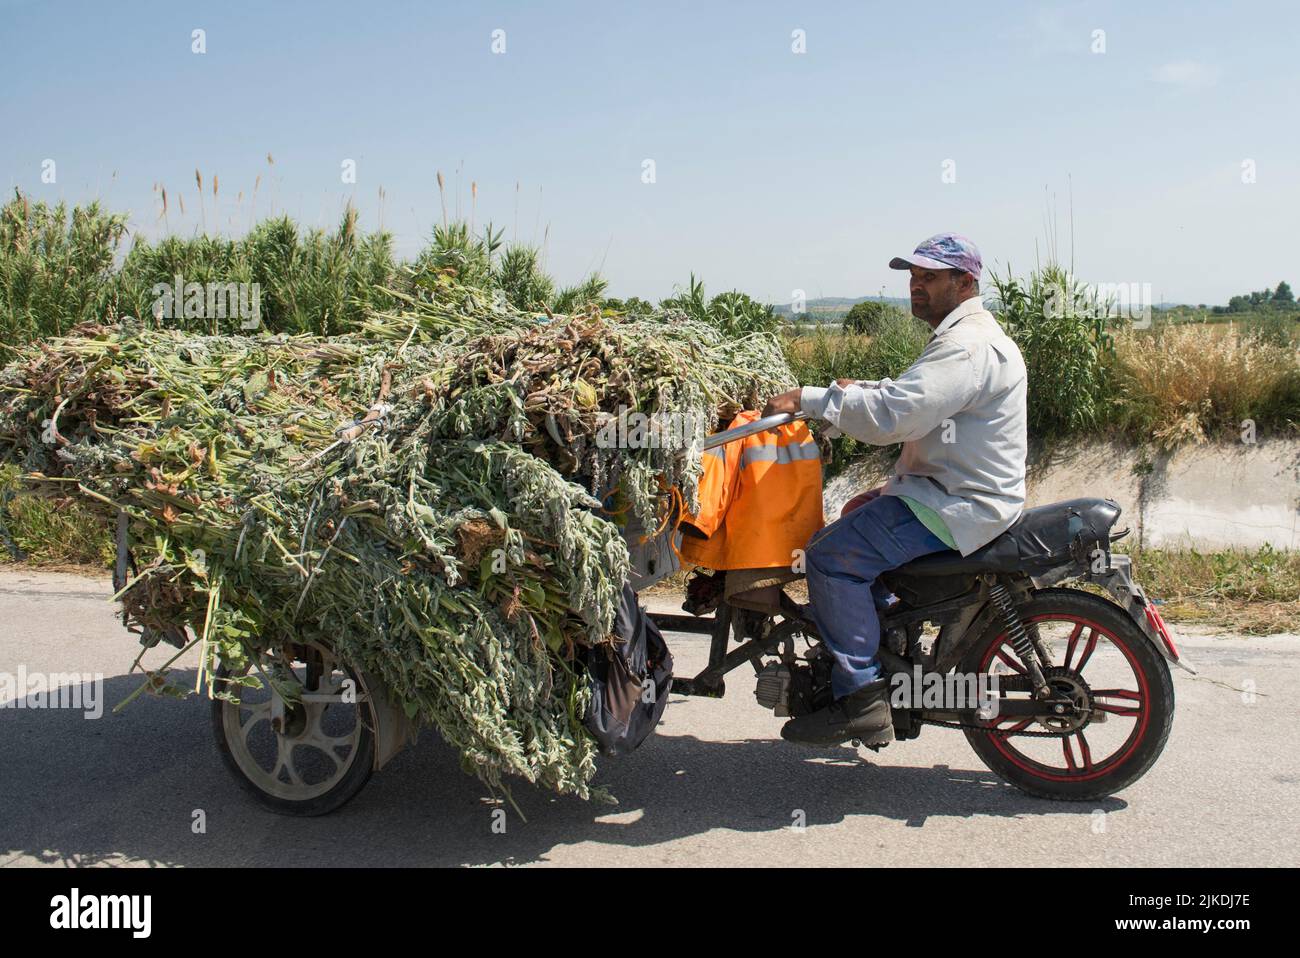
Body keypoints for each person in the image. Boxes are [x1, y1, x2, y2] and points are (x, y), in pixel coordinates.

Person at [762, 233, 1027, 746]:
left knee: (828, 557)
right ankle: (884, 636)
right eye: (912, 277)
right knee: (861, 507)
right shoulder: (968, 338)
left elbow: (896, 417)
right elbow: (912, 397)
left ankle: (861, 699)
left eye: (929, 277)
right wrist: (854, 393)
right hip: (957, 488)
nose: (916, 287)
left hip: (956, 502)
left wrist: (811, 399)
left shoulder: (965, 345)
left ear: (965, 281)